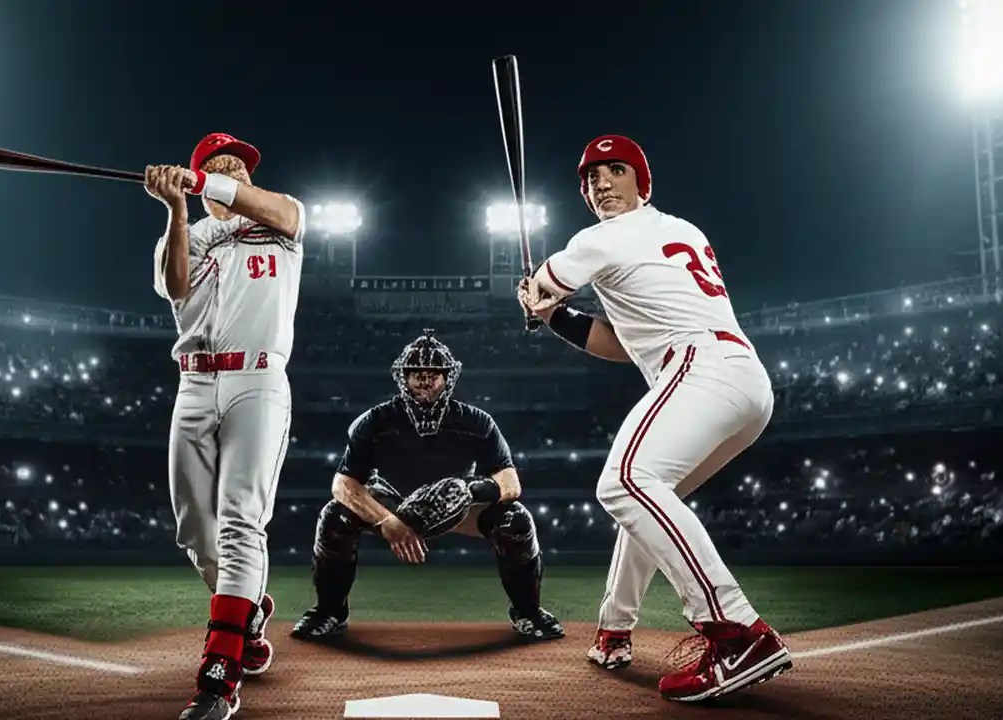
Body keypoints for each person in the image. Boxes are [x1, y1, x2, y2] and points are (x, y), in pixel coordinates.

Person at [517, 134, 792, 702]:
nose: (600, 182)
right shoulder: (678, 230)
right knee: (645, 500)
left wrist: (533, 294)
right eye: (591, 177)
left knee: (624, 483)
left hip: (700, 366)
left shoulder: (606, 235)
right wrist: (554, 317)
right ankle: (615, 629)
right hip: (741, 380)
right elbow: (620, 342)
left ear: (642, 183)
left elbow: (544, 282)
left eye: (615, 170)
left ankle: (738, 631)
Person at [144, 131, 306, 720]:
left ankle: (219, 676)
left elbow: (283, 210)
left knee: (242, 519)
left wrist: (209, 181)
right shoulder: (185, 233)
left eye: (239, 165)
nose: (234, 171)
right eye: (218, 165)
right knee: (193, 528)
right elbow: (176, 287)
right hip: (192, 383)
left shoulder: (282, 221)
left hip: (257, 383)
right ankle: (249, 612)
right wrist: (176, 207)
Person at [289, 329, 565, 643]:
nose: (425, 380)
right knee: (334, 515)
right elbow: (342, 484)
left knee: (515, 519)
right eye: (416, 374)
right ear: (402, 378)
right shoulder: (375, 421)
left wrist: (467, 491)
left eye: (434, 374)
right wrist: (387, 520)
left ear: (449, 378)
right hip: (391, 503)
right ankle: (329, 612)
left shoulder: (477, 422)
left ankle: (528, 612)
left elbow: (510, 483)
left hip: (459, 508)